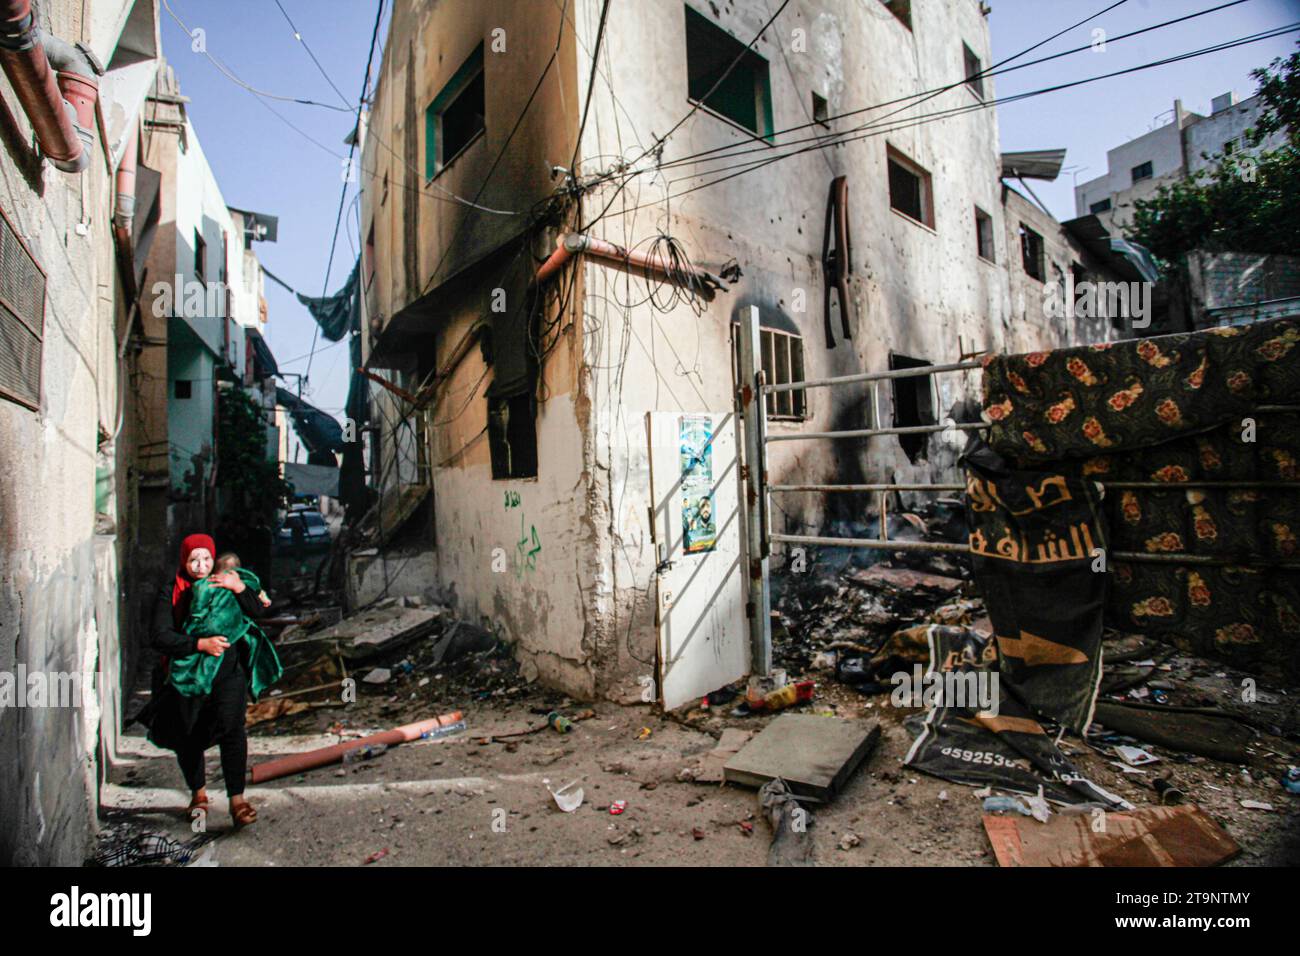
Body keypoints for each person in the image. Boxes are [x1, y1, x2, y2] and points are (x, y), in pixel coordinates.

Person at [143, 533, 281, 827]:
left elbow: (257, 611)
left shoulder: (225, 582)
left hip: (228, 673)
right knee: (188, 735)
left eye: (206, 558)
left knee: (233, 729)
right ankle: (199, 795)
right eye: (194, 560)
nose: (201, 566)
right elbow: (159, 636)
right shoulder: (172, 591)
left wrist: (239, 587)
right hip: (187, 676)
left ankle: (237, 801)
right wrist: (199, 644)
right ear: (184, 561)